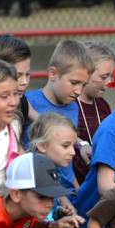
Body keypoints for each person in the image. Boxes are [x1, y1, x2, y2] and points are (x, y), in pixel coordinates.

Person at [23, 40, 94, 190]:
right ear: (53, 74)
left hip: (66, 189)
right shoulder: (28, 103)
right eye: (74, 83)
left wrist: (77, 191)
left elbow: (66, 164)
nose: (79, 91)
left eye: (83, 85)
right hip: (37, 188)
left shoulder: (73, 107)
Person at [73, 41, 115, 185]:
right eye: (104, 77)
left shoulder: (102, 105)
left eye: (110, 76)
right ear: (85, 72)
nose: (109, 82)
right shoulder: (69, 103)